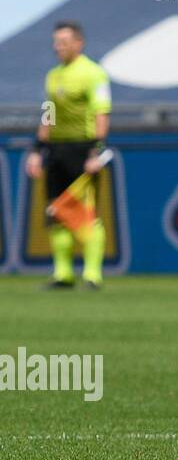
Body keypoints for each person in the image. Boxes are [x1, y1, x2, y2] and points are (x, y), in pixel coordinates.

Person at [24, 21, 112, 291]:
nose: (58, 47)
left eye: (63, 41)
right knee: (56, 210)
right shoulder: (53, 76)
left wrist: (96, 150)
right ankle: (63, 274)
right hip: (57, 150)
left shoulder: (93, 73)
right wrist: (38, 150)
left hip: (82, 148)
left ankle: (92, 274)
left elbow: (101, 113)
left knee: (85, 213)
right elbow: (48, 114)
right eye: (56, 42)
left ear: (78, 43)